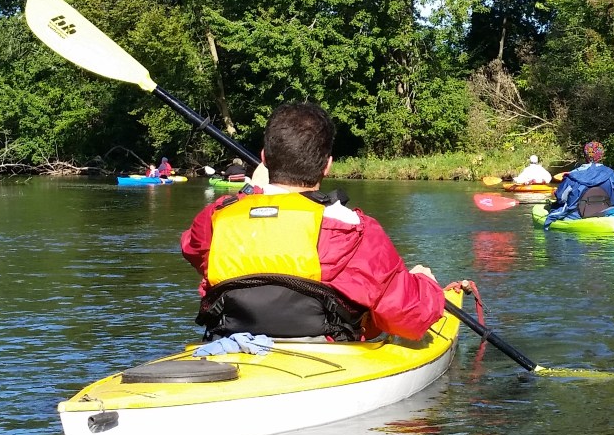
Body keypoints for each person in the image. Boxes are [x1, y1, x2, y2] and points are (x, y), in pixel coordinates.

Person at [179, 102, 444, 342]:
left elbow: (193, 249)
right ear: (327, 165)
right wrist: (425, 284)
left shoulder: (217, 218)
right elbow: (408, 317)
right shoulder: (353, 228)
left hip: (229, 343)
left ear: (263, 158)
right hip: (325, 356)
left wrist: (250, 197)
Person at [543, 141, 614, 226]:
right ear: (601, 156)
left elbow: (561, 198)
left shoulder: (572, 176)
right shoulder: (612, 176)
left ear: (585, 155)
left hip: (576, 217)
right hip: (606, 215)